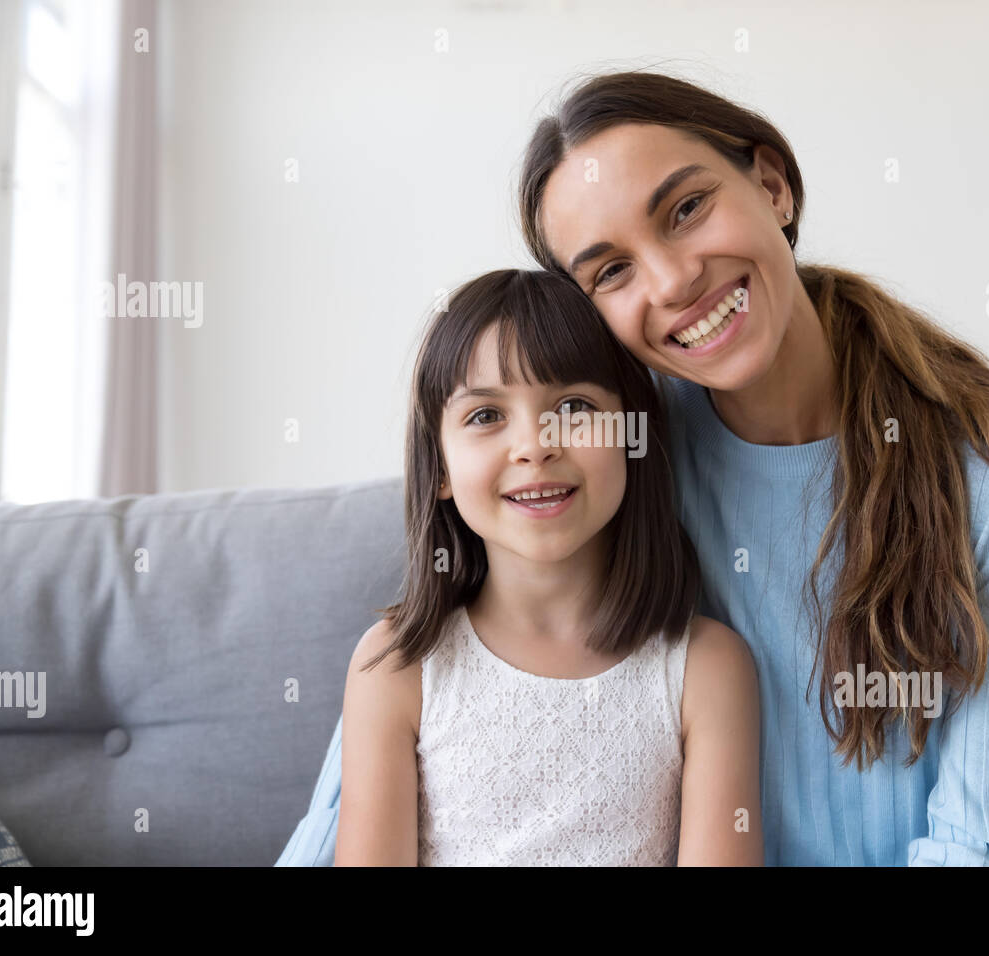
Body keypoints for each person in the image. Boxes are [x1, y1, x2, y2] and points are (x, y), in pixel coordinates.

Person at [515, 69, 989, 865]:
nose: (672, 281)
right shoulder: (619, 460)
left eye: (686, 209)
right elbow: (445, 670)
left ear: (771, 185)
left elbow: (982, 850)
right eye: (611, 271)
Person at [280, 268, 762, 866]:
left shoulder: (707, 670)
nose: (535, 445)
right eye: (486, 416)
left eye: (575, 406)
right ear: (440, 471)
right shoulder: (397, 666)